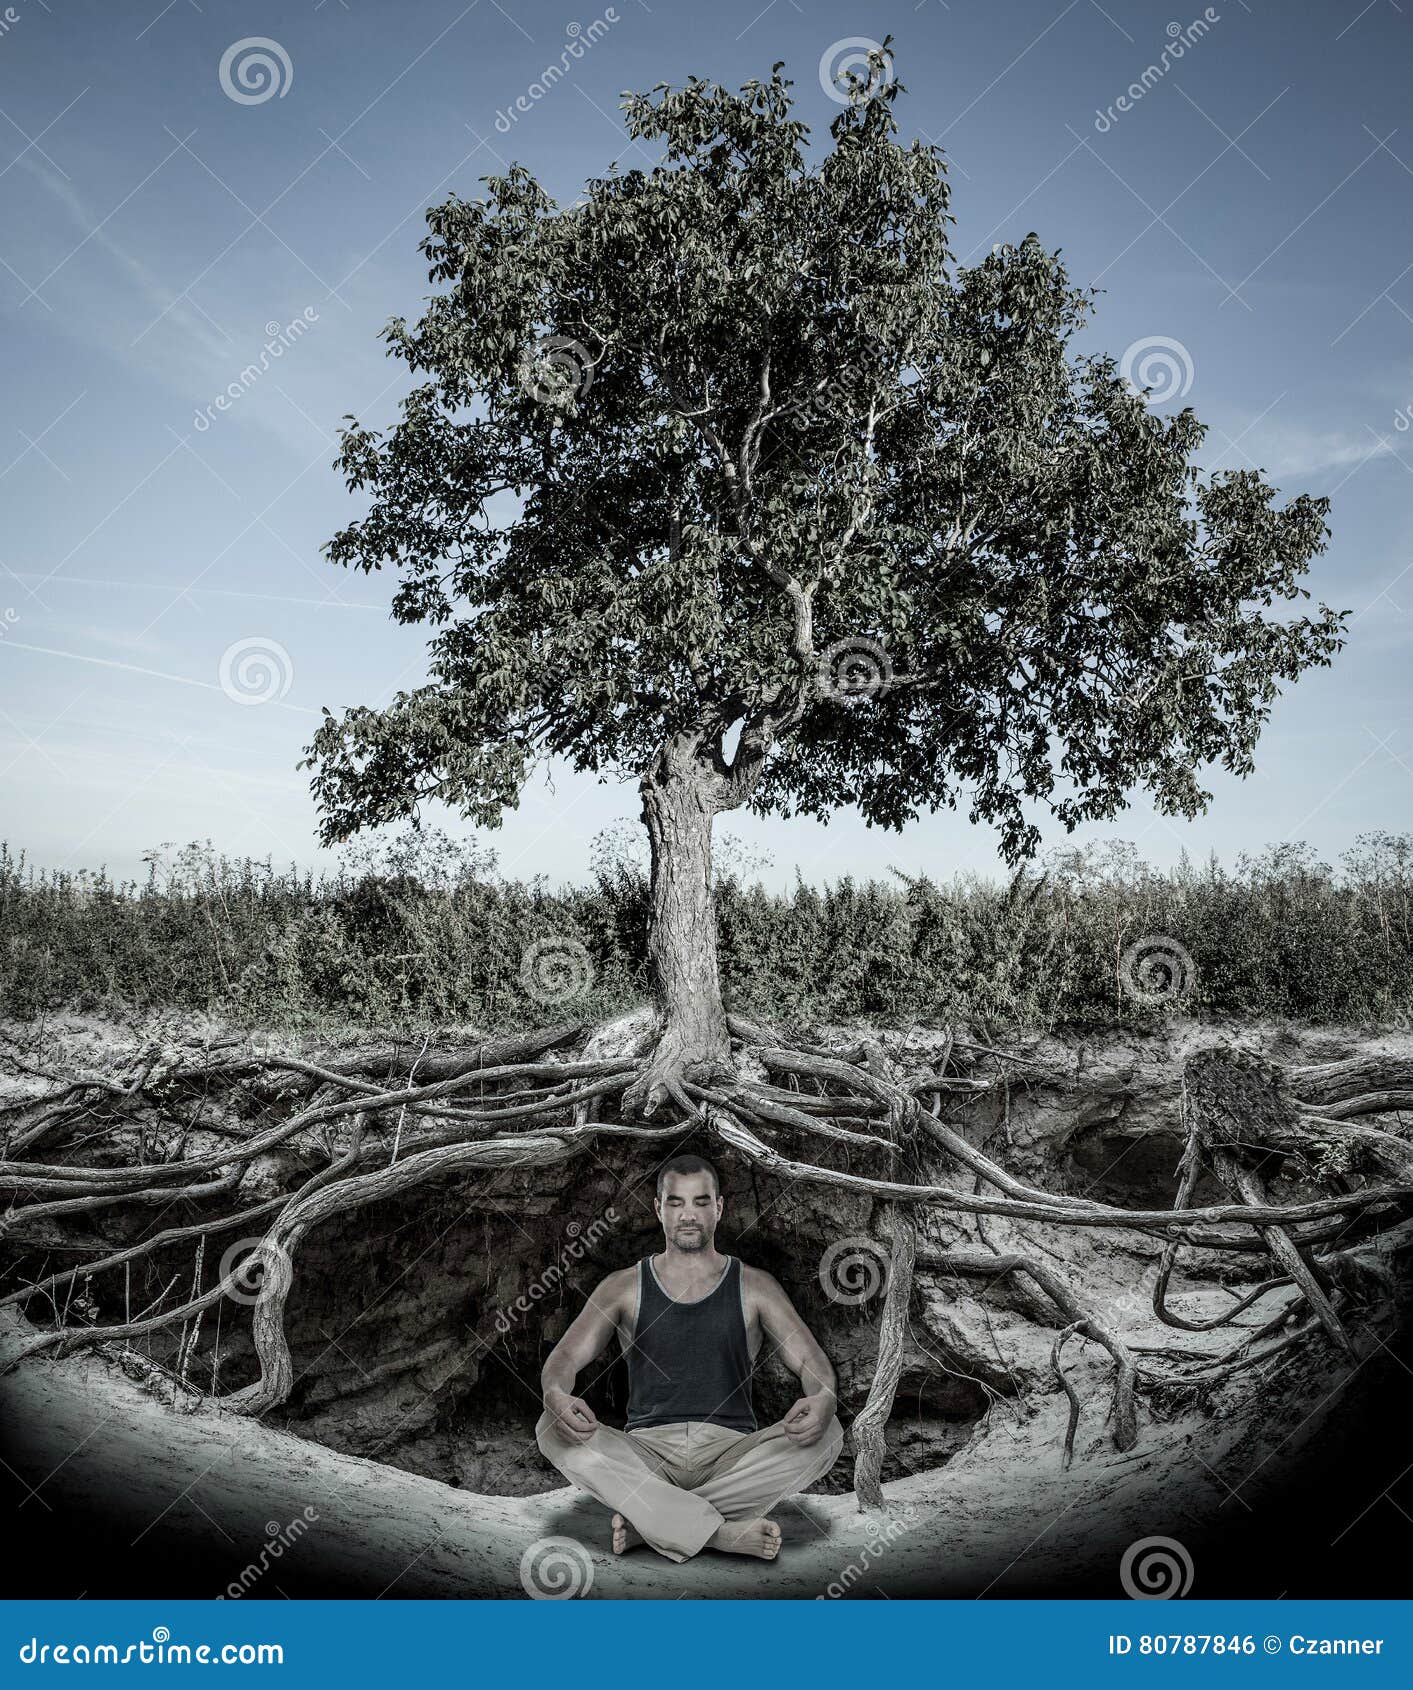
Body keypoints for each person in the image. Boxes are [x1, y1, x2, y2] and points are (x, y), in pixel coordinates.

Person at [536, 1153, 845, 1562]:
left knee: (829, 1433)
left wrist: (822, 1397)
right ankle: (716, 1533)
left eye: (701, 1202)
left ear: (718, 1208)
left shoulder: (755, 1285)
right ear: (658, 1208)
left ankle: (653, 1522)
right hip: (647, 1453)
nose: (688, 1215)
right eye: (676, 1202)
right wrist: (556, 1394)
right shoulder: (623, 1286)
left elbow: (810, 1361)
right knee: (549, 1427)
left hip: (732, 1455)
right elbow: (566, 1359)